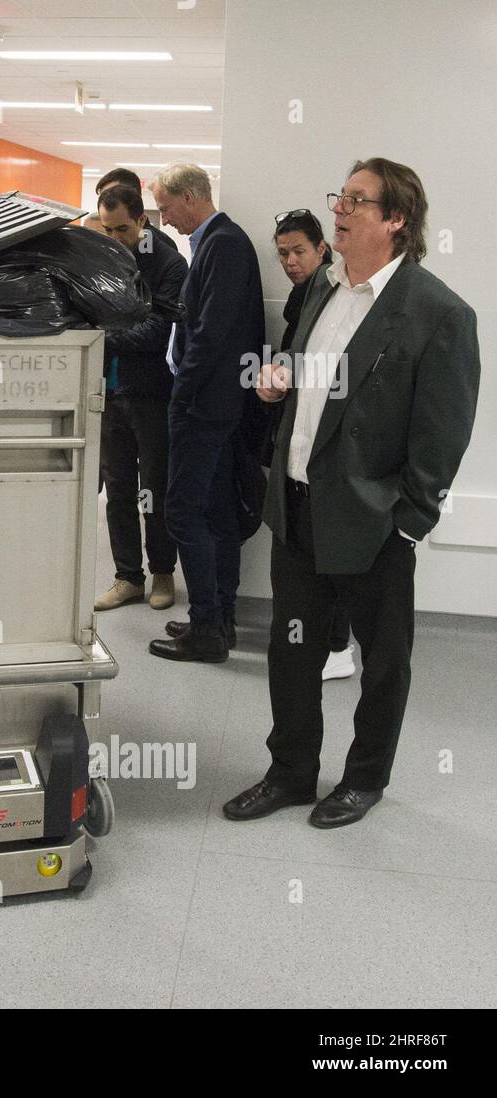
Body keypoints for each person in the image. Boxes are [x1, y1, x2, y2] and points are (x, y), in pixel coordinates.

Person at [225, 158, 480, 829]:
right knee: (292, 651)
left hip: (374, 526)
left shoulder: (437, 314)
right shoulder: (321, 291)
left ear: (396, 220)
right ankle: (291, 773)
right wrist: (279, 377)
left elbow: (443, 434)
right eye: (341, 195)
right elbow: (307, 372)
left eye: (358, 201)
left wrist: (408, 522)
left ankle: (365, 780)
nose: (339, 208)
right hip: (299, 508)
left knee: (383, 663)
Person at [147, 163, 264, 663]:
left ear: (191, 196)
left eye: (168, 207)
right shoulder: (217, 242)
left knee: (182, 512)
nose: (166, 220)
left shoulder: (224, 244)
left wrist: (183, 393)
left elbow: (211, 334)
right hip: (214, 402)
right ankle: (219, 620)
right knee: (214, 513)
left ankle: (208, 629)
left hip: (202, 404)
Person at [92, 185, 187, 614]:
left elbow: (160, 333)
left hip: (152, 395)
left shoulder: (169, 265)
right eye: (107, 229)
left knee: (156, 489)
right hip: (112, 392)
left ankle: (163, 572)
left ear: (143, 221)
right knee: (119, 491)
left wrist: (107, 338)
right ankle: (127, 576)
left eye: (123, 229)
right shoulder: (102, 261)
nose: (115, 238)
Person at [271, 208, 352, 681]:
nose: (290, 261)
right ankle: (323, 643)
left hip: (330, 447)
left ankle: (337, 645)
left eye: (299, 250)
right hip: (300, 442)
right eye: (282, 253)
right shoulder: (307, 294)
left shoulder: (332, 291)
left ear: (322, 249)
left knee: (332, 557)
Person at [95, 168, 176, 249]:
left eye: (115, 194)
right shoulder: (99, 239)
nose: (107, 201)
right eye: (104, 196)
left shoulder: (163, 245)